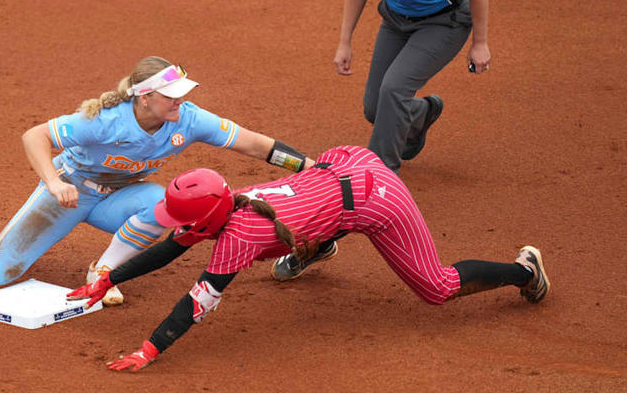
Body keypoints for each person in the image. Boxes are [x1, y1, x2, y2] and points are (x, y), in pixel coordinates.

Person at [68, 145, 550, 372]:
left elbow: (197, 302)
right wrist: (108, 279)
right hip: (344, 162)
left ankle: (525, 271)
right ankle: (317, 244)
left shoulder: (240, 234)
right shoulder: (231, 199)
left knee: (437, 288)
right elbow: (172, 247)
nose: (175, 225)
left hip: (377, 197)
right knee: (305, 220)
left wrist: (149, 349)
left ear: (208, 214)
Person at [0, 56, 315, 306]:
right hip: (69, 194)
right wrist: (54, 183)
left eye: (181, 94)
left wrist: (312, 167)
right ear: (144, 97)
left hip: (119, 199)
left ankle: (104, 272)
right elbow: (34, 136)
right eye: (170, 96)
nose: (179, 101)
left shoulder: (189, 120)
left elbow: (255, 145)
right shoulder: (104, 121)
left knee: (164, 204)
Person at [333, 0, 491, 173]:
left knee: (394, 88)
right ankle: (422, 113)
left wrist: (480, 43)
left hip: (443, 23)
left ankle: (381, 173)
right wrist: (344, 42)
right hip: (396, 21)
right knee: (375, 107)